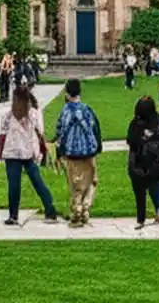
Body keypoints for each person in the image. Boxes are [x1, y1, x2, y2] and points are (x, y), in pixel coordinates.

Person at [0, 90, 59, 225]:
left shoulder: (8, 116)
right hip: (29, 152)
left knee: (14, 185)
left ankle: (13, 215)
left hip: (12, 153)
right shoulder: (34, 114)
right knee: (38, 181)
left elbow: (2, 135)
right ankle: (50, 209)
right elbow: (40, 132)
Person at [53, 79, 102, 228]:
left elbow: (59, 132)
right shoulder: (87, 110)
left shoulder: (65, 111)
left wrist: (59, 151)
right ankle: (86, 206)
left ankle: (77, 210)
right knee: (91, 180)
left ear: (67, 94)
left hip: (71, 153)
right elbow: (96, 130)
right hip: (88, 151)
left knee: (75, 183)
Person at [126, 96, 159, 230]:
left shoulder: (135, 124)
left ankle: (141, 218)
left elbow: (131, 142)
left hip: (138, 164)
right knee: (156, 189)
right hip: (154, 165)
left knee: (140, 192)